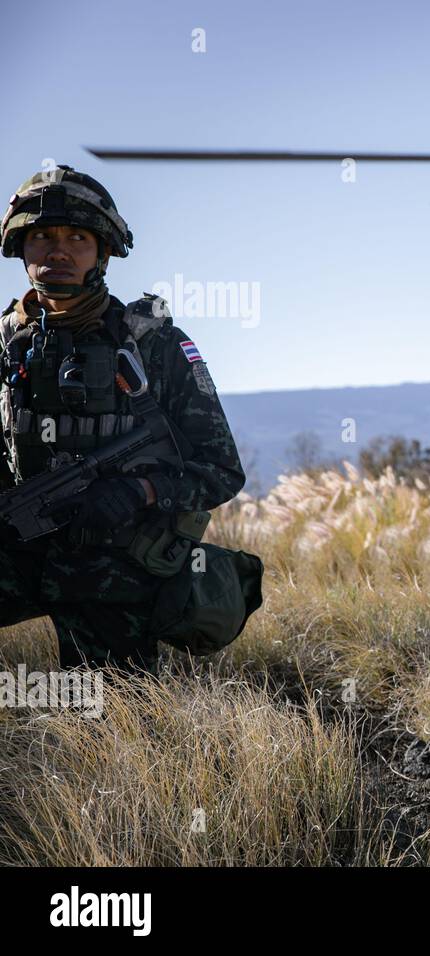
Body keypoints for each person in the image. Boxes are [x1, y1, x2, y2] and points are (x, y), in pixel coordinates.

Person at [0, 165, 247, 673]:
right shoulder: (5, 345)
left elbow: (221, 470)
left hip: (116, 562)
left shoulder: (155, 347)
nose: (58, 251)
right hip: (18, 543)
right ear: (21, 249)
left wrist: (141, 493)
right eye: (42, 236)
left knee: (113, 724)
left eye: (77, 238)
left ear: (103, 252)